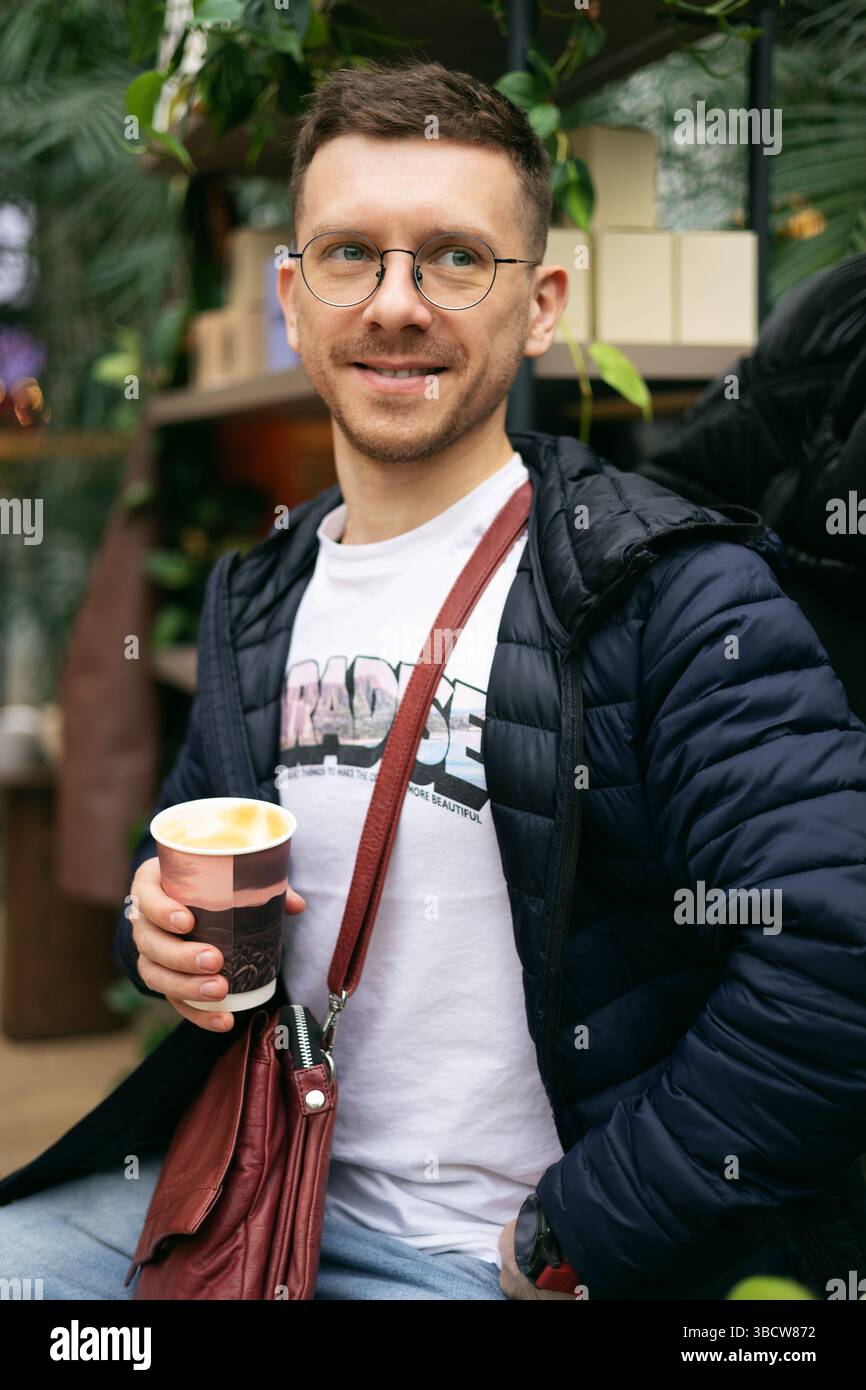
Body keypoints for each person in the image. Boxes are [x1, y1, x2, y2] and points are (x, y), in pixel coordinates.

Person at [2, 59, 866, 1303]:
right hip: (258, 1187)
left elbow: (832, 954)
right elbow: (191, 852)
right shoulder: (260, 594)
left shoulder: (669, 593)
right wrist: (163, 933)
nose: (395, 304)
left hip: (499, 1256)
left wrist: (577, 1231)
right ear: (292, 300)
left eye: (455, 258)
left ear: (542, 302)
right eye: (351, 254)